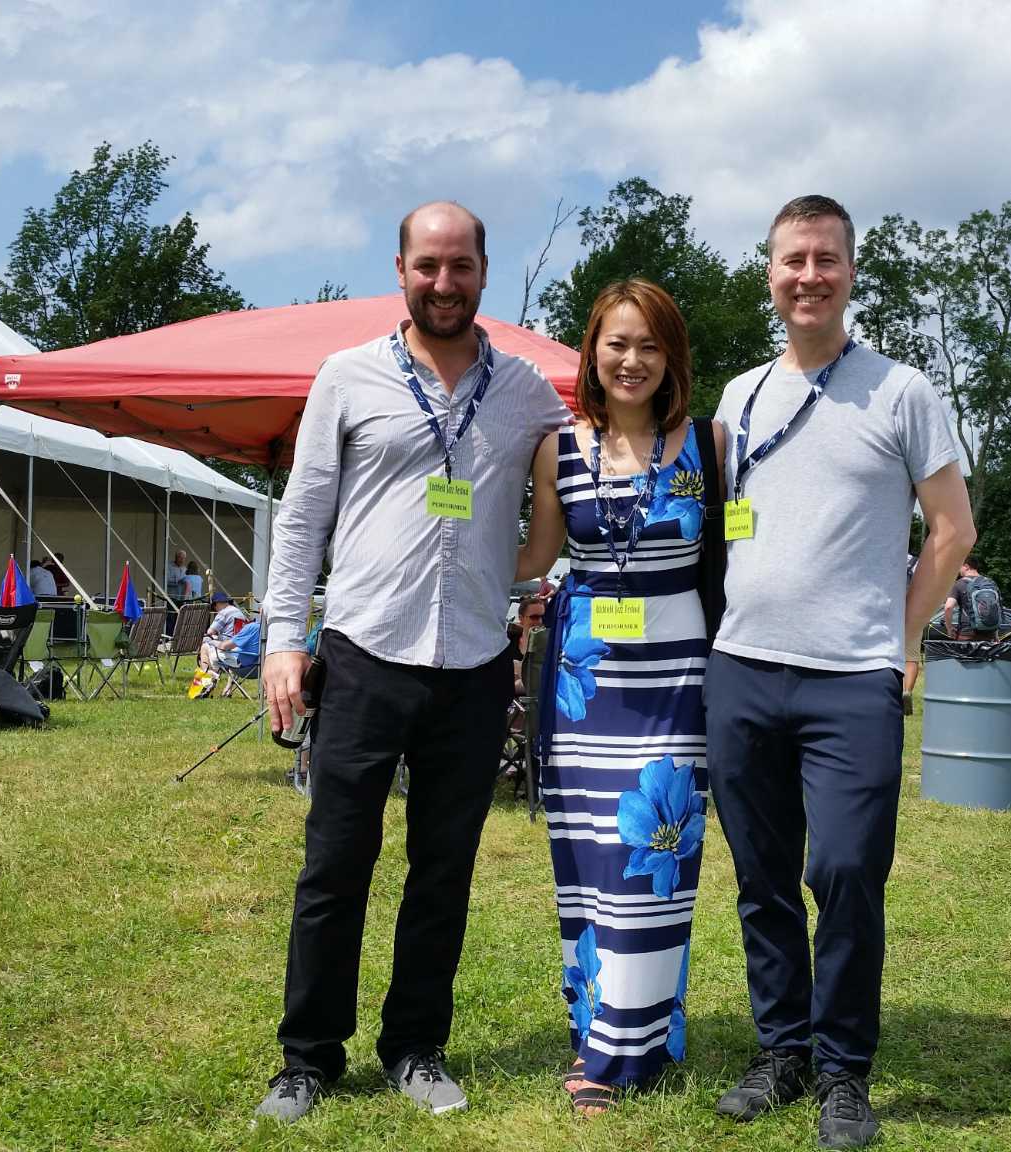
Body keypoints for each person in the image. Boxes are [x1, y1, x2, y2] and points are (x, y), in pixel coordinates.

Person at [252, 201, 569, 1125]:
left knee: (444, 868)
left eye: (460, 266)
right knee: (334, 865)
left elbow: (580, 482)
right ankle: (308, 1057)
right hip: (362, 654)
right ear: (400, 269)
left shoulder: (526, 395)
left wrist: (538, 569)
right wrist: (282, 639)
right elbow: (303, 518)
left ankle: (416, 1047)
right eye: (427, 265)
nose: (443, 282)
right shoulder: (346, 378)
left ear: (483, 272)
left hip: (473, 663)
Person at [706, 196, 975, 1149]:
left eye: (826, 259)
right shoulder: (736, 399)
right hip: (741, 668)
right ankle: (783, 1051)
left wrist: (901, 640)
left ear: (851, 271)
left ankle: (844, 1071)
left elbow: (953, 532)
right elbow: (722, 530)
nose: (808, 275)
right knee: (763, 874)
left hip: (852, 677)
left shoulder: (901, 392)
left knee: (850, 869)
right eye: (792, 260)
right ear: (769, 273)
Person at [513, 278, 720, 1114]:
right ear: (592, 351)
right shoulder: (558, 448)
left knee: (656, 864)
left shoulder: (710, 443)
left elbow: (745, 549)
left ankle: (623, 1051)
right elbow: (536, 555)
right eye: (616, 344)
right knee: (594, 861)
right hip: (584, 680)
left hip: (678, 676)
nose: (631, 361)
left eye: (649, 346)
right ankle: (605, 1029)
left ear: (671, 357)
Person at [946, 558, 999, 640]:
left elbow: (948, 607)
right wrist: (995, 635)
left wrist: (949, 628)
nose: (958, 570)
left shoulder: (960, 583)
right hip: (989, 633)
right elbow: (994, 609)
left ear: (966, 566)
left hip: (967, 633)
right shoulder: (990, 583)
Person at [506, 595, 545, 695]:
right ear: (521, 618)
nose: (539, 621)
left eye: (543, 617)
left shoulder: (549, 646)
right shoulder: (507, 640)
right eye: (534, 617)